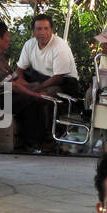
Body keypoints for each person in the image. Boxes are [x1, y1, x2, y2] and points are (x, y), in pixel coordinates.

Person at [10, 13, 81, 152]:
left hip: (63, 84)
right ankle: (24, 139)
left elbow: (58, 77)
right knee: (16, 94)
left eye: (46, 28)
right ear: (33, 31)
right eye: (39, 29)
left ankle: (46, 140)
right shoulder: (29, 44)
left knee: (42, 97)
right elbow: (19, 70)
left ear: (51, 30)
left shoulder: (59, 46)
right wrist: (23, 84)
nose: (42, 32)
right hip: (37, 80)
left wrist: (37, 88)